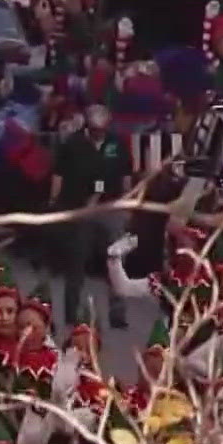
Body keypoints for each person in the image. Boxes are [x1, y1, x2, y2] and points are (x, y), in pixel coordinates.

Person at [49, 105, 132, 333]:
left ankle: (117, 314)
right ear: (87, 126)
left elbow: (126, 176)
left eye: (102, 130)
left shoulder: (117, 144)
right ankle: (71, 313)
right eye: (95, 130)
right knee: (76, 263)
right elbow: (59, 175)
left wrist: (127, 205)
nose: (99, 134)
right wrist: (54, 202)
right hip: (80, 209)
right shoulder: (72, 145)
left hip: (110, 210)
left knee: (115, 263)